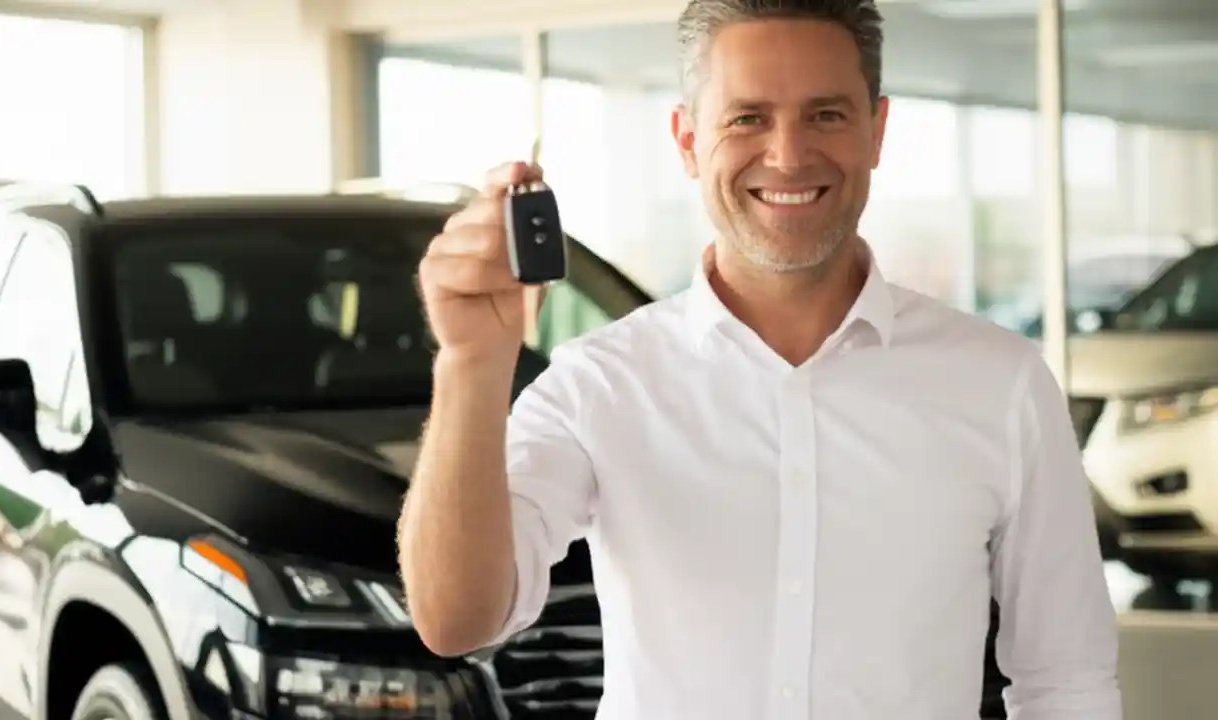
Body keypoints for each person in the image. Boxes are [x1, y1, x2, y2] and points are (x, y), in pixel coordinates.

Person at [397, 0, 1123, 718]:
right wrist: (469, 364)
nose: (788, 155)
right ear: (688, 141)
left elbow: (1067, 683)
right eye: (747, 118)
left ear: (877, 131)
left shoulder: (1001, 384)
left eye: (826, 115)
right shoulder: (598, 383)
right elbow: (458, 623)